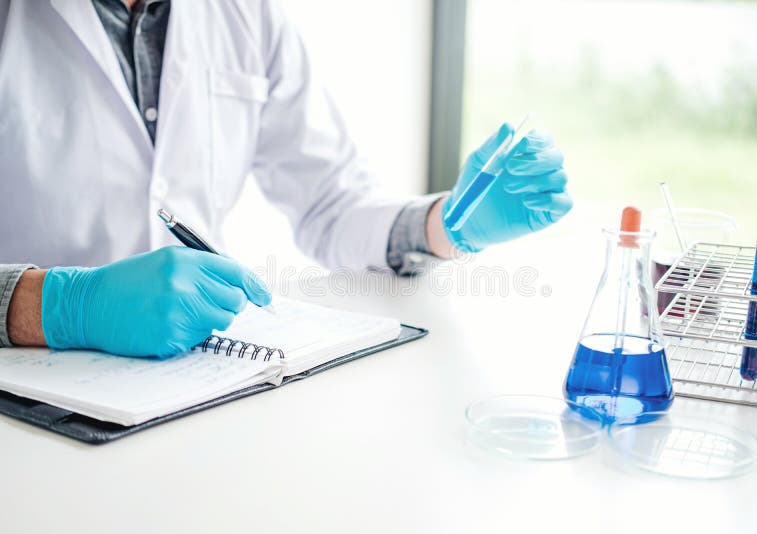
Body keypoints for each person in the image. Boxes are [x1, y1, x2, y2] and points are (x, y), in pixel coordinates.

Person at [0, 0, 572, 357]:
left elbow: (331, 201)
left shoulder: (246, 14)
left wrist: (446, 225)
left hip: (185, 382)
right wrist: (60, 305)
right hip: (23, 393)